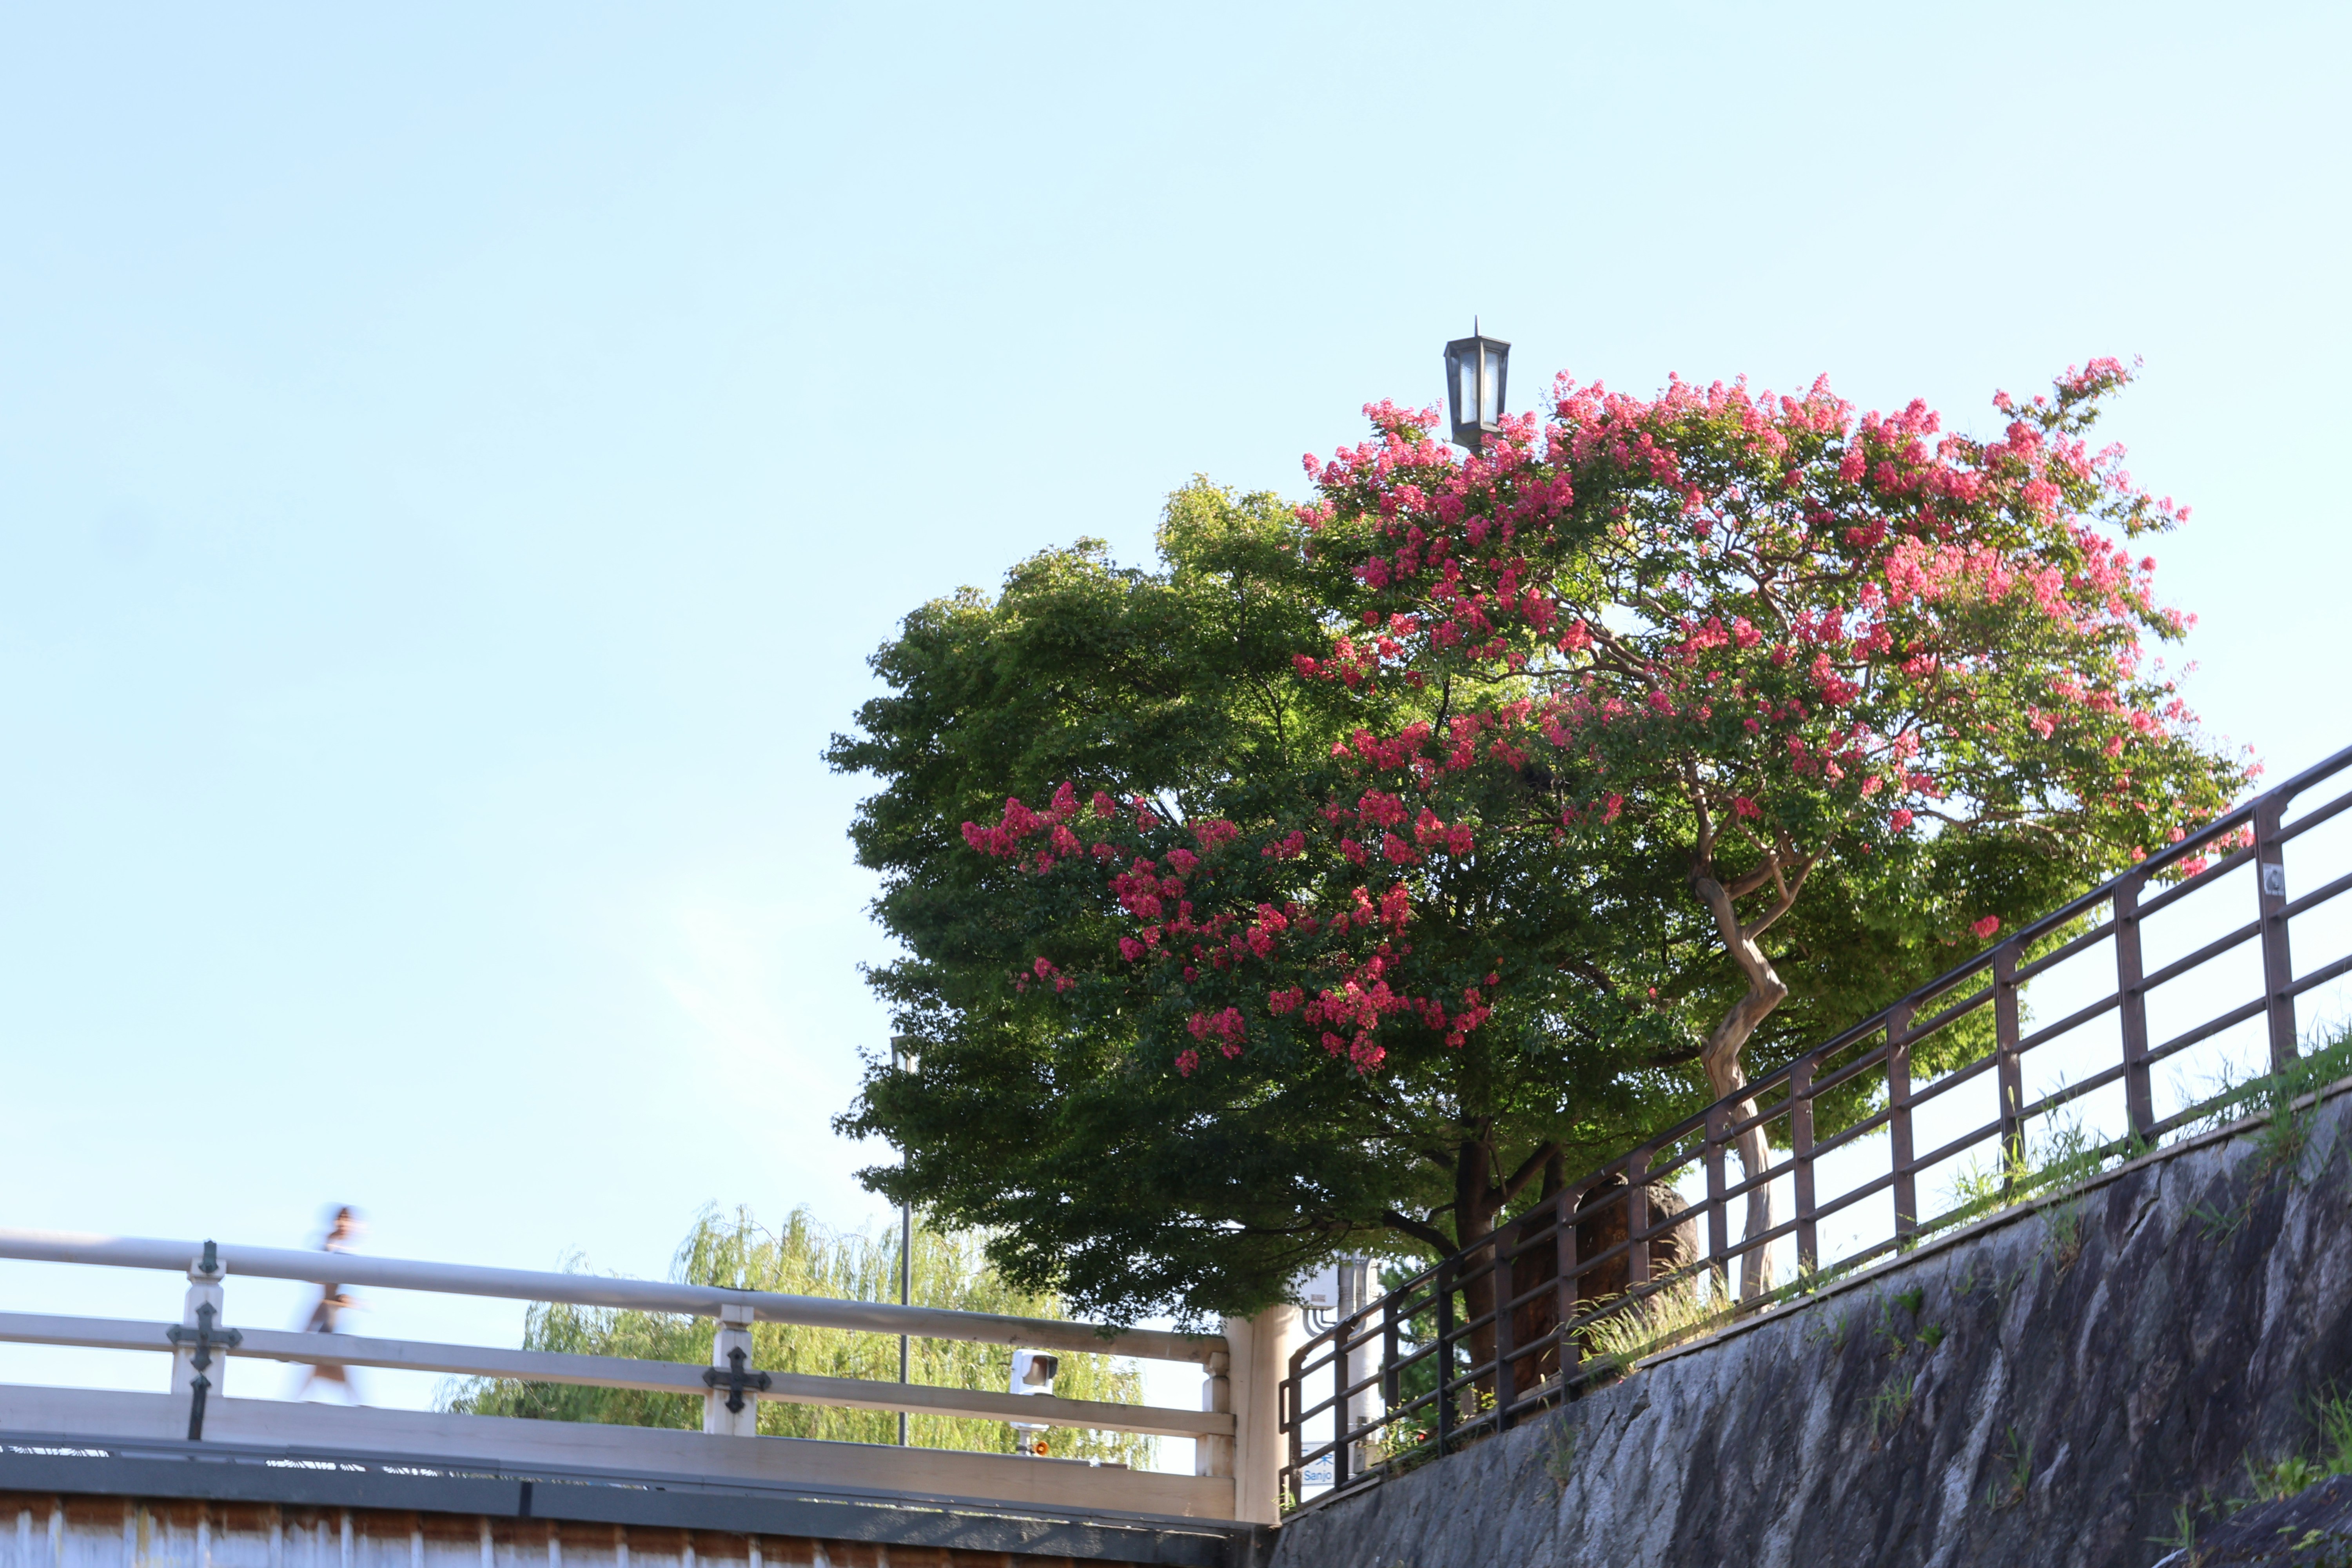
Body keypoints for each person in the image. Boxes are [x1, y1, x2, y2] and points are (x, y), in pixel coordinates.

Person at [298, 1206, 363, 1401]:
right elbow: (322, 1284)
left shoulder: (338, 1247)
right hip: (327, 1315)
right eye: (343, 1219)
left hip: (330, 1316)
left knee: (322, 1365)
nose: (345, 1224)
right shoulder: (333, 1246)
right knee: (333, 1364)